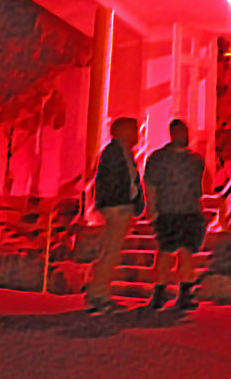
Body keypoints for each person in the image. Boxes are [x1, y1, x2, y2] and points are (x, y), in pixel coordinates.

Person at [143, 118, 208, 311]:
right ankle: (165, 291)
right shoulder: (166, 159)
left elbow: (198, 185)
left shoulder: (190, 160)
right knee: (170, 250)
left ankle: (176, 291)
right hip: (175, 210)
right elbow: (151, 186)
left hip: (182, 209)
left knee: (179, 250)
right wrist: (152, 208)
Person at [85, 115, 144, 314]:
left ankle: (99, 291)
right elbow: (112, 183)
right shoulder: (114, 154)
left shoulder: (122, 153)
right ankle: (99, 293)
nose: (138, 135)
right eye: (134, 130)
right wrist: (118, 203)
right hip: (117, 207)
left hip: (119, 206)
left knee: (111, 250)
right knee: (111, 251)